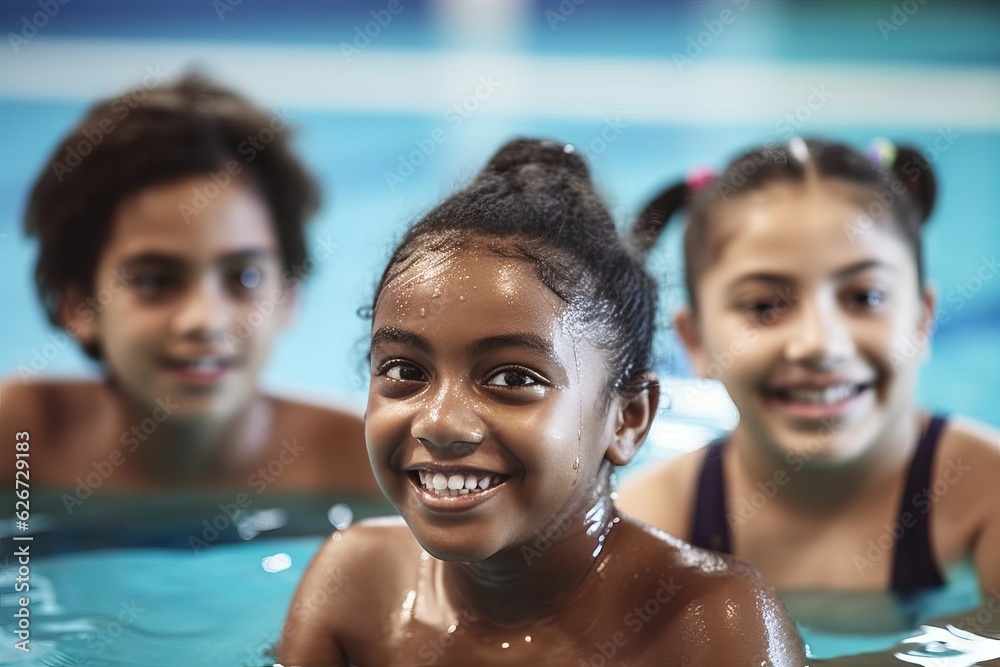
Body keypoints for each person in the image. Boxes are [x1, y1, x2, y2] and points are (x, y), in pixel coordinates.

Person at [278, 138, 804, 666]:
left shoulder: (708, 626)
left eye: (512, 377)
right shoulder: (355, 584)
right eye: (404, 371)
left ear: (628, 418)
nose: (440, 422)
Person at [617, 137, 1000, 600]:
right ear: (696, 341)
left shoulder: (987, 497)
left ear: (923, 320)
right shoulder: (653, 521)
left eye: (865, 297)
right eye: (764, 306)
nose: (820, 344)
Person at [0, 75, 384, 522]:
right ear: (77, 304)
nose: (204, 319)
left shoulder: (362, 465)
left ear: (288, 295)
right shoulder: (20, 440)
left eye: (244, 277)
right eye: (155, 282)